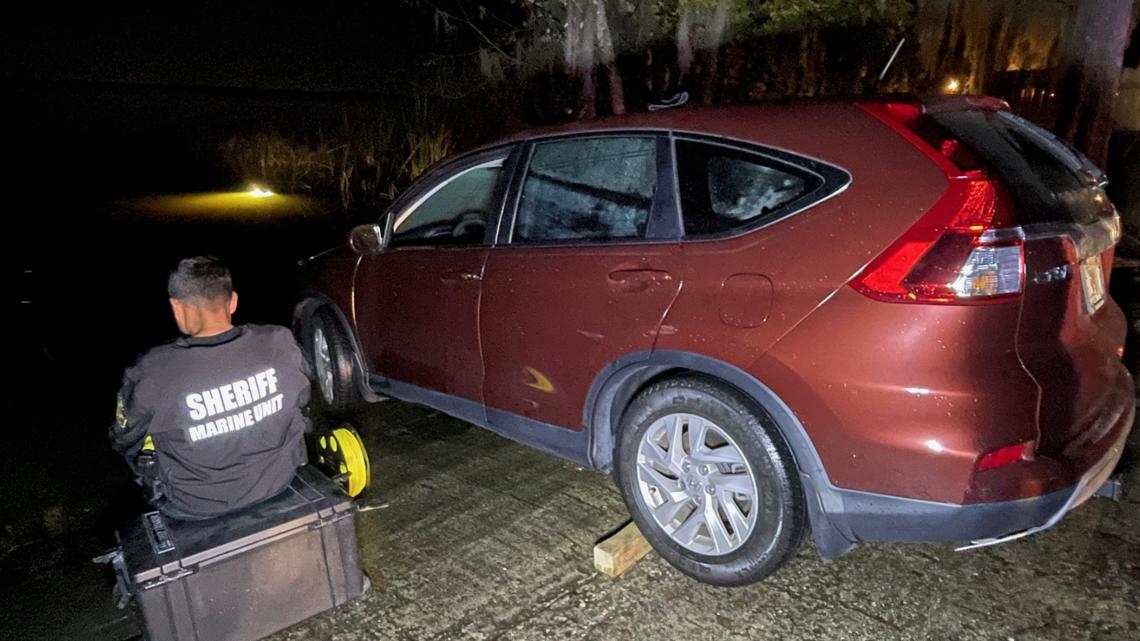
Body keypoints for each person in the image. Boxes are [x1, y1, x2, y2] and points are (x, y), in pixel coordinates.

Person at [110, 256, 311, 520]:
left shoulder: (153, 370)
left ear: (177, 307)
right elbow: (304, 395)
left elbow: (124, 438)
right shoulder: (279, 341)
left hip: (193, 505)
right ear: (233, 301)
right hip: (278, 481)